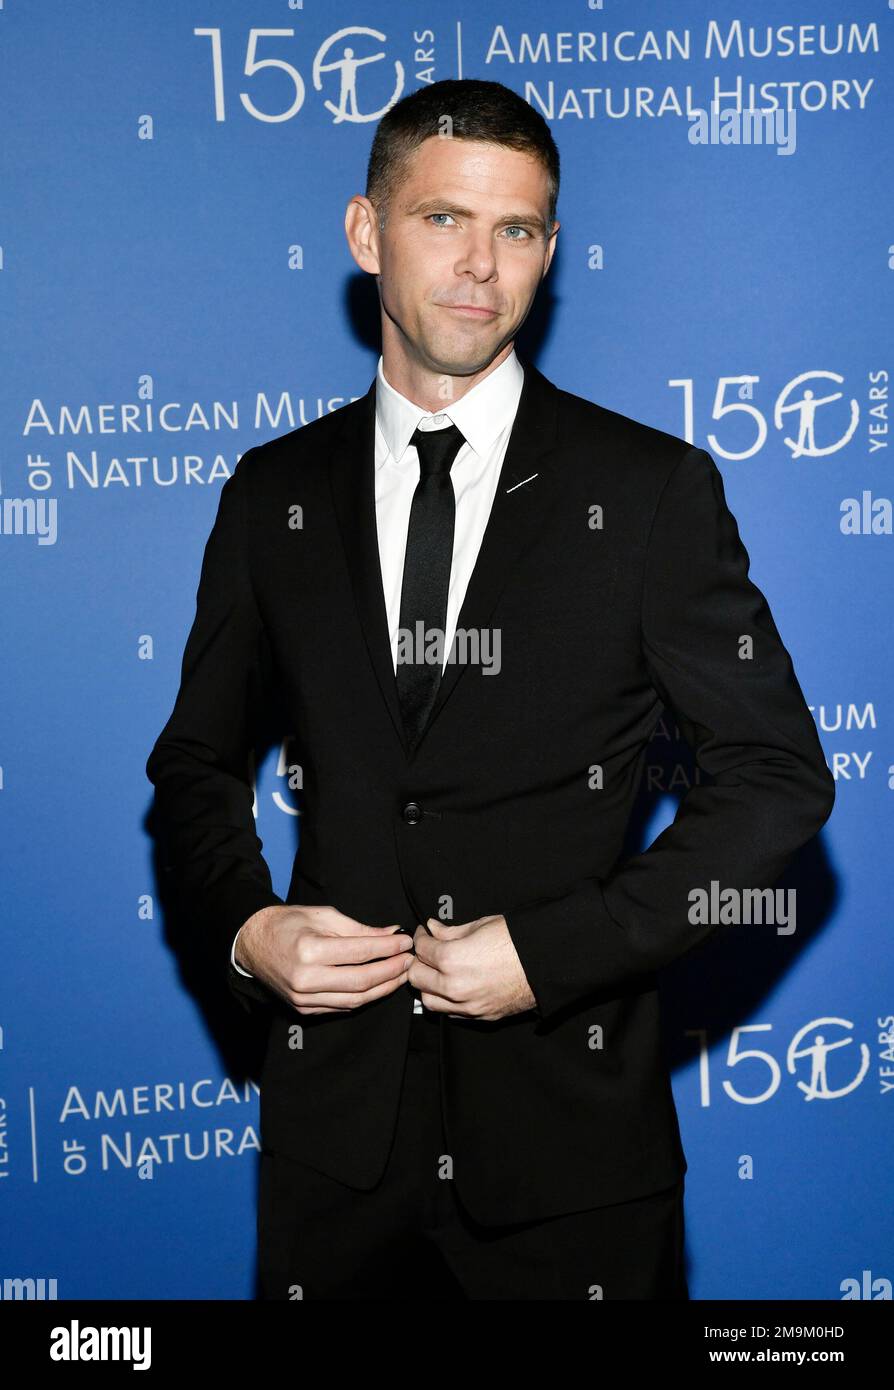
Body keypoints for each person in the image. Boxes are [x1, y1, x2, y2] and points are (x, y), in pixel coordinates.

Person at [145, 78, 835, 1300]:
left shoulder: (648, 492)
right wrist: (249, 930)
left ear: (551, 250)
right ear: (366, 233)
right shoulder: (272, 495)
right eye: (442, 220)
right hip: (335, 1160)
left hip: (573, 1166)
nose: (480, 266)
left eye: (517, 230)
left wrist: (555, 950)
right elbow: (194, 766)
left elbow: (777, 780)